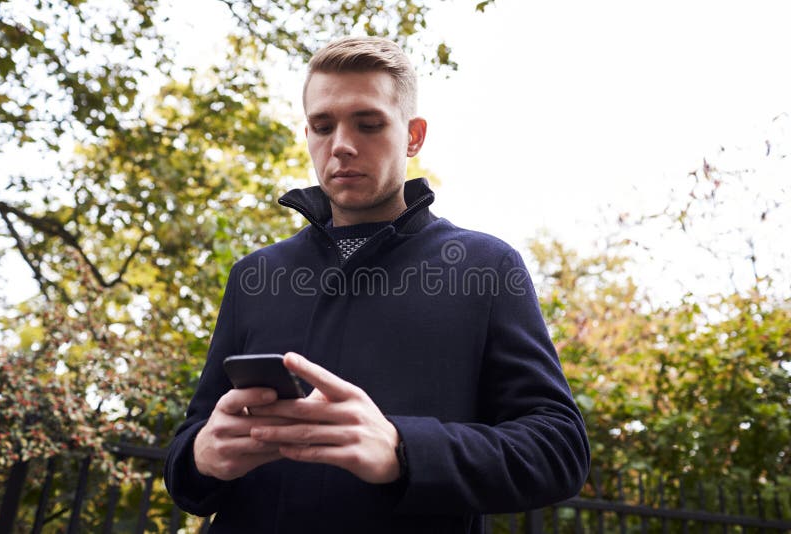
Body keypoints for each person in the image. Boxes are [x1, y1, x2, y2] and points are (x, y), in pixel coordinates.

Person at [164, 36, 590, 533]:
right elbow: (186, 458)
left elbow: (559, 448)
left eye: (368, 124)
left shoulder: (487, 266)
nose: (341, 144)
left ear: (413, 136)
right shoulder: (255, 275)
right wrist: (201, 456)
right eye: (323, 127)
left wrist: (403, 449)